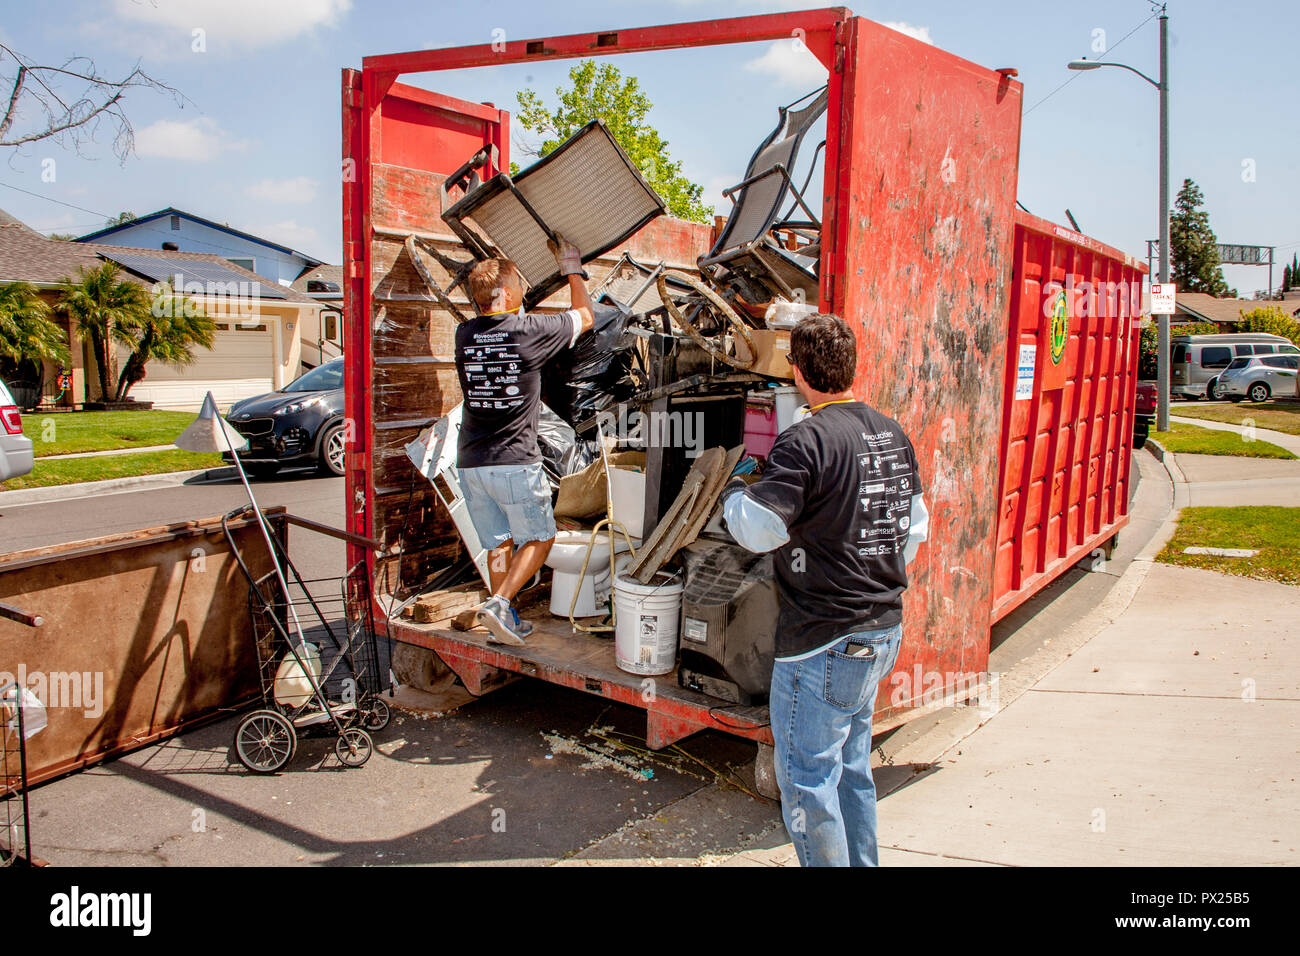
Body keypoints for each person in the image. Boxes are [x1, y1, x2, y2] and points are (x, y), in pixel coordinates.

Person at [720, 312, 928, 867]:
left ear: (797, 372)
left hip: (822, 644)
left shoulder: (804, 440)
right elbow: (913, 531)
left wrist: (736, 490)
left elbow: (760, 529)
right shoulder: (891, 432)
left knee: (809, 786)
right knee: (853, 772)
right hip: (882, 631)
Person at [454, 238, 594, 644]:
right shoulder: (530, 331)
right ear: (509, 293)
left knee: (499, 542)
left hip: (471, 463)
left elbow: (496, 326)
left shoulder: (465, 335)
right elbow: (584, 315)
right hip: (514, 460)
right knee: (540, 536)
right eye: (520, 282)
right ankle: (499, 604)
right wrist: (572, 266)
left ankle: (506, 619)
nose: (525, 287)